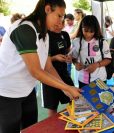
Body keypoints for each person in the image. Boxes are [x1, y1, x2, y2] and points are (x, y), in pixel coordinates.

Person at [0, 0, 81, 132]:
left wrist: (66, 89)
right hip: (7, 93)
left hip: (27, 90)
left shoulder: (45, 34)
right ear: (48, 9)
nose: (61, 21)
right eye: (59, 15)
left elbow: (48, 67)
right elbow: (36, 71)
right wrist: (66, 87)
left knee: (31, 128)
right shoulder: (24, 29)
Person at [42, 19, 74, 117]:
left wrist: (68, 57)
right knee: (52, 106)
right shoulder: (45, 36)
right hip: (49, 76)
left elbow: (67, 50)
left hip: (63, 73)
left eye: (62, 23)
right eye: (57, 22)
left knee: (73, 98)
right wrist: (55, 58)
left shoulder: (65, 35)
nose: (59, 25)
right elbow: (41, 60)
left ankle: (75, 120)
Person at [71, 15, 111, 88]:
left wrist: (96, 65)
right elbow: (74, 58)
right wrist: (76, 64)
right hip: (82, 80)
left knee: (100, 98)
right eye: (85, 31)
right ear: (81, 28)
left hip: (100, 79)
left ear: (96, 30)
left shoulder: (102, 42)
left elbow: (108, 59)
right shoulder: (76, 41)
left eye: (91, 31)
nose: (88, 34)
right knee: (84, 99)